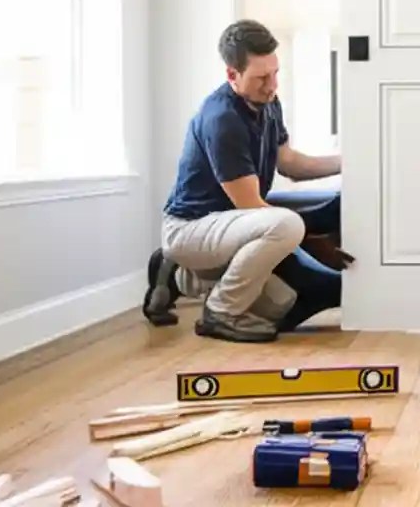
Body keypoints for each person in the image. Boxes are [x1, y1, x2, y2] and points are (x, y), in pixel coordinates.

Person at [142, 19, 351, 342]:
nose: (272, 85)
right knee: (285, 225)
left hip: (230, 227)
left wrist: (350, 163)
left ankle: (180, 277)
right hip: (191, 228)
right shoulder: (223, 119)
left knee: (280, 305)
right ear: (232, 75)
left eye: (275, 73)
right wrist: (319, 234)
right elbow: (253, 207)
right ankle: (222, 312)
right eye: (261, 78)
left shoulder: (268, 103)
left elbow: (290, 163)